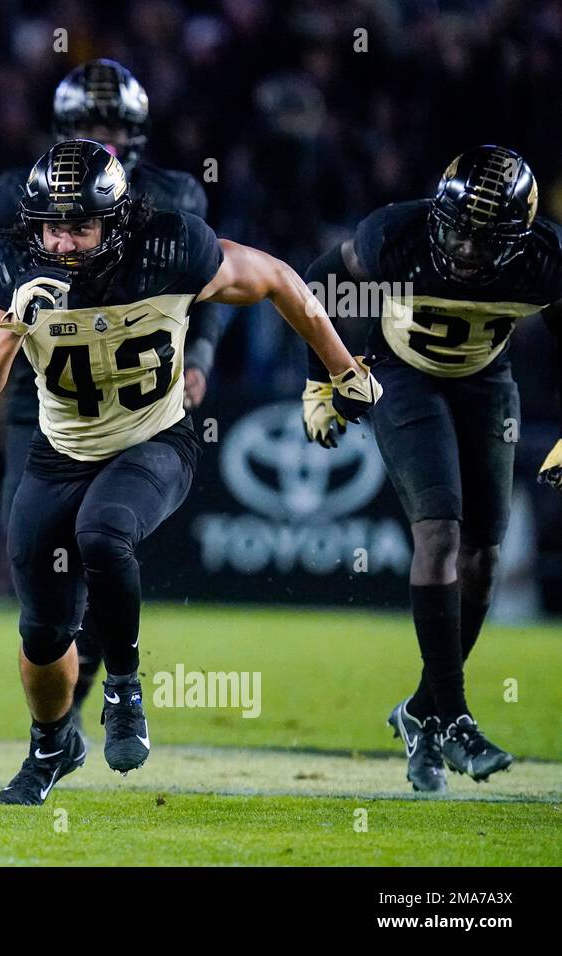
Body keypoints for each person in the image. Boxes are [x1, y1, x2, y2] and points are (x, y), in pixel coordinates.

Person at [0, 140, 380, 805]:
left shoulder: (166, 250)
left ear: (116, 221)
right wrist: (15, 322)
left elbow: (275, 278)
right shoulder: (12, 268)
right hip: (59, 452)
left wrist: (342, 366)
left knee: (103, 531)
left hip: (153, 440)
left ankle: (123, 687)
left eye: (81, 225)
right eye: (53, 225)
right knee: (41, 635)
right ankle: (51, 745)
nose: (64, 242)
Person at [302, 145, 562, 792]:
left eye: (487, 240)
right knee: (438, 532)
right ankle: (455, 719)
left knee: (483, 558)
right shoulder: (396, 235)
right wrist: (322, 381)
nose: (470, 252)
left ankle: (422, 711)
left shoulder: (543, 262)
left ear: (519, 239)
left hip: (486, 382)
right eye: (459, 233)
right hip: (401, 378)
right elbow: (312, 285)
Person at [0, 59, 230, 725]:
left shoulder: (172, 204)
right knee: (36, 574)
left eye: (113, 125)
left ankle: (97, 696)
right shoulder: (20, 196)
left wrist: (197, 351)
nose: (103, 136)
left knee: (102, 541)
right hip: (45, 390)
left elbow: (224, 284)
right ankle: (58, 723)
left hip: (128, 392)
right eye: (88, 125)